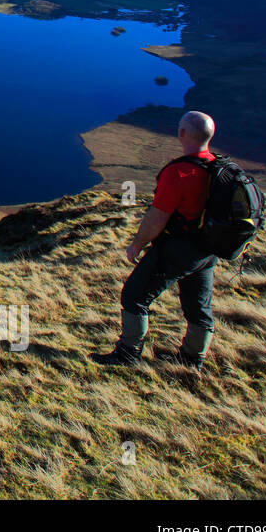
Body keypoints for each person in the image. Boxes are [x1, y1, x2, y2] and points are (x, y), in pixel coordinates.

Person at [94, 111, 219, 370]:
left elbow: (157, 218)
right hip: (208, 250)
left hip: (178, 248)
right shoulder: (220, 168)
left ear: (182, 134)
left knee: (134, 296)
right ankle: (192, 360)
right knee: (198, 305)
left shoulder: (179, 172)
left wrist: (137, 244)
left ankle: (127, 354)